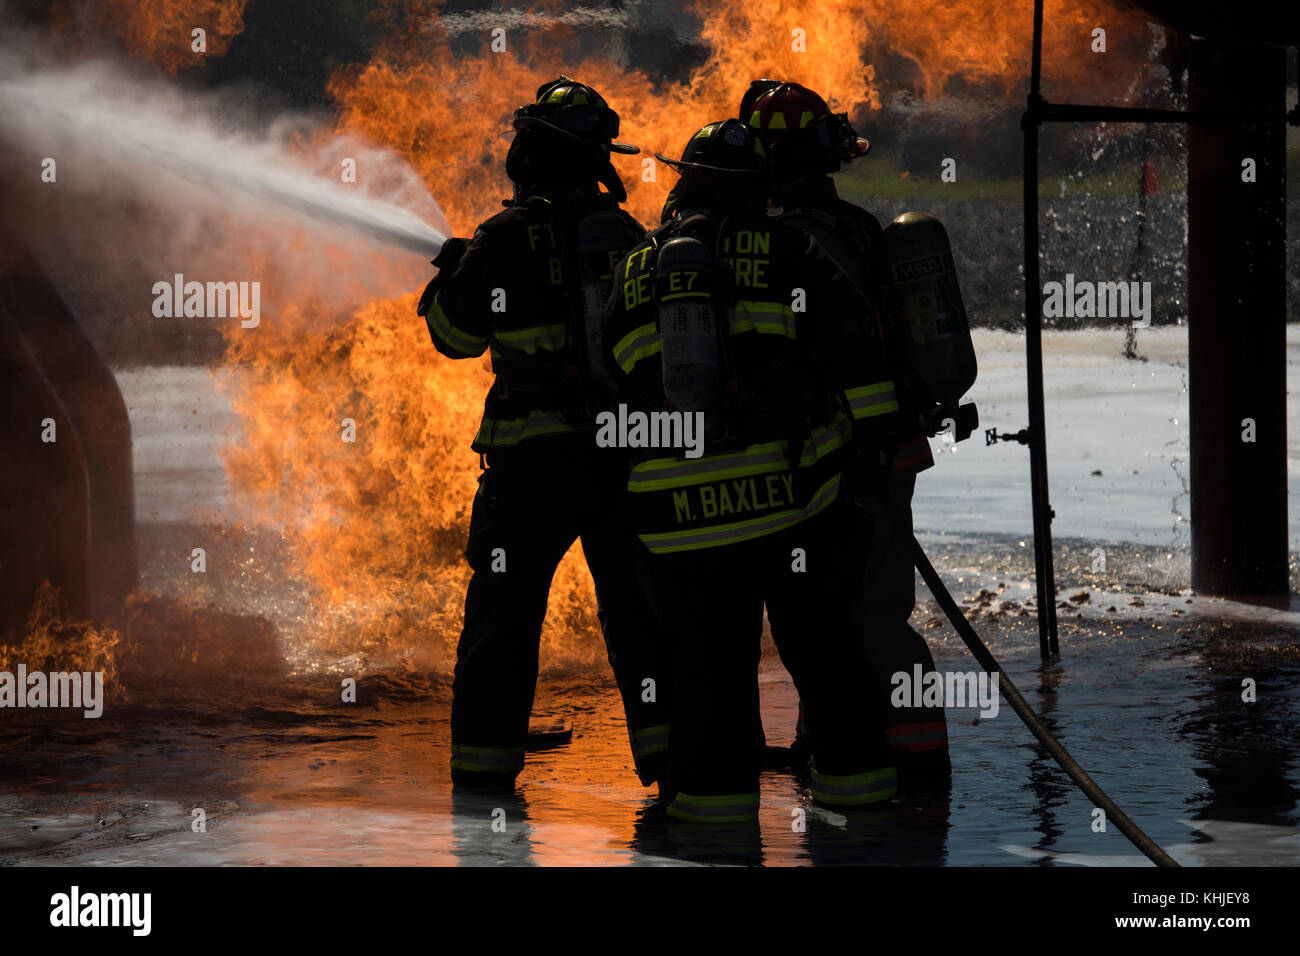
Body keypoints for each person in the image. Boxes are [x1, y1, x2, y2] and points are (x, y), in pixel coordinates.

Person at [603, 118, 897, 824]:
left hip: (678, 522)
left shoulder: (637, 268)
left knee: (707, 674)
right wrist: (873, 455)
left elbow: (611, 372)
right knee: (826, 658)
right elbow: (858, 355)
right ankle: (861, 818)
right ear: (755, 189)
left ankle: (715, 821)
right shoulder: (788, 247)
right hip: (791, 505)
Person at [417, 76, 668, 791]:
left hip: (529, 471)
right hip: (620, 464)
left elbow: (455, 338)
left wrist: (452, 276)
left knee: (503, 623)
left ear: (529, 152)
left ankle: (485, 778)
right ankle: (671, 762)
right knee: (640, 619)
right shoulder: (626, 235)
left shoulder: (503, 236)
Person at [744, 81, 952, 785]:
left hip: (855, 456)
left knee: (869, 615)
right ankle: (834, 742)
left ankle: (919, 765)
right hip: (874, 451)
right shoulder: (859, 228)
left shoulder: (788, 243)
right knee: (838, 612)